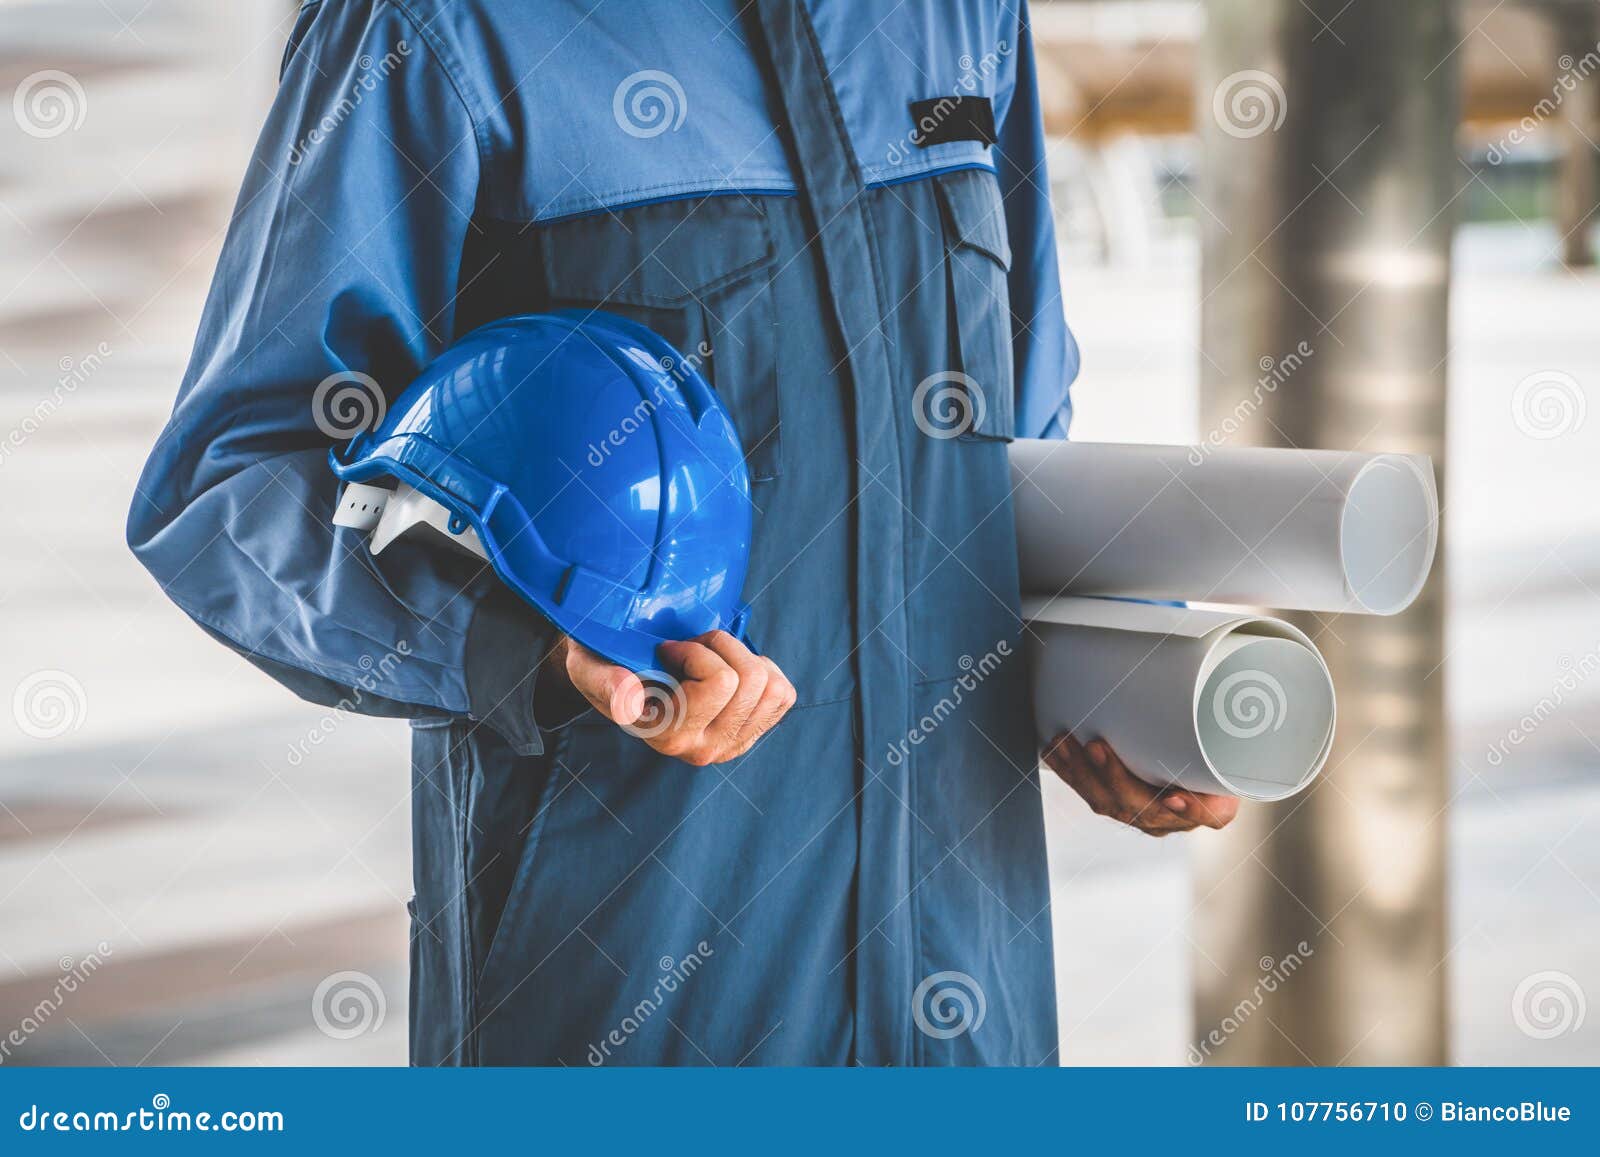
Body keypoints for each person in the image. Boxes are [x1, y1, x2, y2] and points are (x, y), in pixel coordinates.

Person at [128, 0, 1236, 1067]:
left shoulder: (958, 15)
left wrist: (1119, 681)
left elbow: (1017, 437)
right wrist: (531, 652)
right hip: (639, 999)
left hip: (967, 992)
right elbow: (234, 483)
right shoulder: (438, 25)